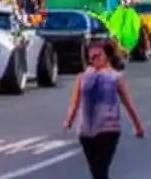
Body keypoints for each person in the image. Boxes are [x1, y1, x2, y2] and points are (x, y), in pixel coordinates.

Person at [62, 39, 144, 179]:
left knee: (100, 169)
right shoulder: (82, 77)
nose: (94, 60)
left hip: (108, 130)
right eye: (91, 58)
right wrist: (69, 120)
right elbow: (75, 102)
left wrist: (138, 126)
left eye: (98, 56)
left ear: (107, 55)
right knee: (96, 171)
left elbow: (128, 103)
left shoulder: (116, 77)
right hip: (86, 131)